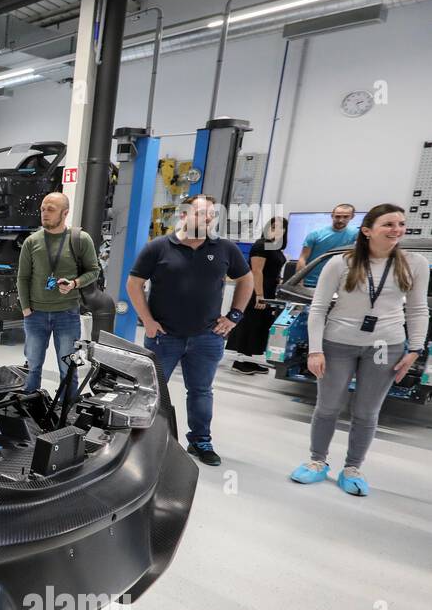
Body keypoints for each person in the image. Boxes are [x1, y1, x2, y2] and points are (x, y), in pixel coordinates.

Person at [289, 204, 429, 496]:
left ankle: (353, 468)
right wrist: (315, 350)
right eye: (388, 224)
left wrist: (415, 348)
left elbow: (417, 309)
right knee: (328, 406)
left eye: (401, 224)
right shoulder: (340, 263)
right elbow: (318, 309)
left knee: (367, 412)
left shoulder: (414, 264)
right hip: (338, 344)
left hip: (385, 346)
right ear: (367, 231)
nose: (397, 230)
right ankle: (317, 461)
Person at [126, 194, 254, 466]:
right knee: (152, 391)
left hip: (207, 337)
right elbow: (133, 284)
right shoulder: (159, 247)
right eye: (201, 213)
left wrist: (234, 316)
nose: (207, 219)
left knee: (201, 391)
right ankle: (145, 442)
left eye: (211, 215)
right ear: (184, 215)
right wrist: (147, 321)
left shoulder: (224, 249)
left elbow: (246, 279)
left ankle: (200, 441)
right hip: (164, 337)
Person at [16, 192, 101, 395]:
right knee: (33, 366)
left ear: (65, 213)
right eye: (43, 209)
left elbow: (94, 271)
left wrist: (74, 283)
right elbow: (22, 277)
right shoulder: (32, 242)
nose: (44, 213)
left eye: (50, 210)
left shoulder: (80, 239)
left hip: (67, 315)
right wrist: (26, 308)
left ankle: (67, 409)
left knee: (68, 367)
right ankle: (30, 405)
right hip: (35, 315)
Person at [228, 215, 288, 374]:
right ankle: (240, 362)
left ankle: (250, 360)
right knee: (251, 324)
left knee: (260, 325)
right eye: (273, 227)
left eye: (281, 228)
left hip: (269, 290)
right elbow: (256, 271)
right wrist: (259, 295)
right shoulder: (261, 245)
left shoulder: (275, 247)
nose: (276, 230)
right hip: (257, 290)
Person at [298, 203, 358, 286]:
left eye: (345, 217)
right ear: (332, 216)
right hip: (311, 282)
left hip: (337, 283)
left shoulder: (355, 233)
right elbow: (303, 258)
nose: (341, 220)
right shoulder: (315, 234)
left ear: (352, 217)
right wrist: (299, 281)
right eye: (337, 216)